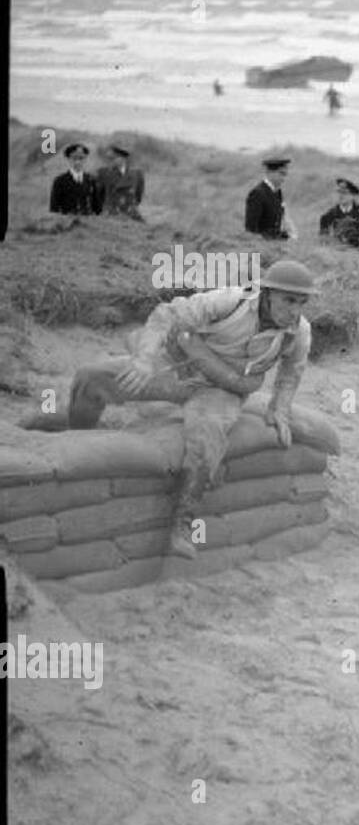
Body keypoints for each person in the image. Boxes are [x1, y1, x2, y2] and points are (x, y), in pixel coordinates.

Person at [62, 261, 318, 560]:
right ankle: (74, 441)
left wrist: (280, 409)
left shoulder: (298, 331)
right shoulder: (231, 301)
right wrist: (144, 359)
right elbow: (167, 314)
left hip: (221, 391)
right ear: (268, 293)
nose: (295, 310)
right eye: (289, 300)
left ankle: (183, 522)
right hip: (178, 369)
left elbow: (292, 371)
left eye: (302, 302)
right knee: (91, 377)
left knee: (207, 436)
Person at [319, 178, 359, 251]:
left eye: (345, 193)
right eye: (338, 192)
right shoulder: (327, 217)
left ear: (353, 195)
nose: (340, 196)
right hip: (337, 258)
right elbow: (323, 243)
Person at [245, 157, 293, 240]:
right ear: (270, 173)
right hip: (261, 245)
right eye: (281, 174)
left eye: (285, 175)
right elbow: (251, 229)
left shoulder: (277, 192)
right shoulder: (257, 193)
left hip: (275, 242)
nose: (284, 179)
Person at [49, 142, 101, 216]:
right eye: (74, 158)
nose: (77, 162)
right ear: (68, 159)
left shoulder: (91, 180)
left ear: (85, 159)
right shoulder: (60, 181)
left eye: (81, 158)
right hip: (67, 224)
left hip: (88, 223)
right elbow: (54, 209)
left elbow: (97, 208)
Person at [96, 144, 145, 219]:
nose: (110, 161)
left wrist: (130, 207)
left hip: (130, 214)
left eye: (113, 158)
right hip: (111, 215)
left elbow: (138, 196)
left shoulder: (137, 174)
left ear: (123, 158)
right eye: (109, 159)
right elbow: (98, 196)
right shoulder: (103, 173)